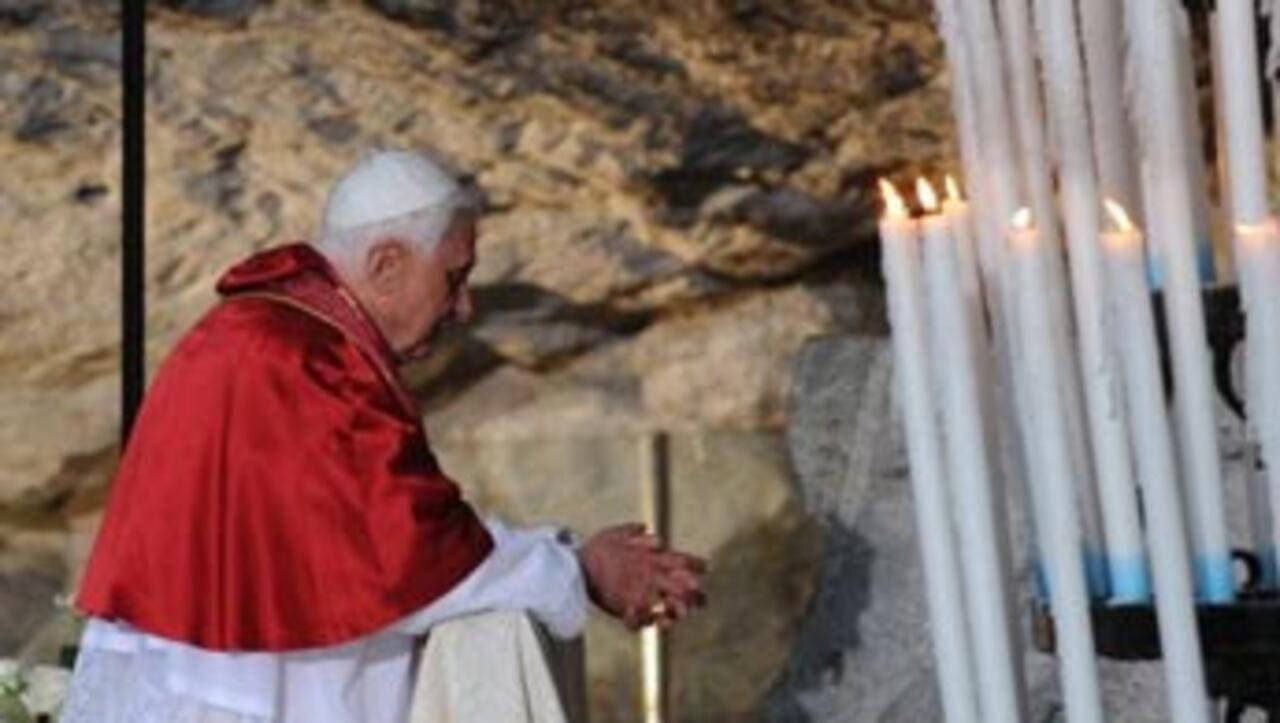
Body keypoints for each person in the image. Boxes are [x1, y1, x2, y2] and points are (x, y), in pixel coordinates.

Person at [59, 150, 707, 723]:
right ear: (387, 262)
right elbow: (407, 558)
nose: (464, 307)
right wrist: (580, 569)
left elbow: (400, 535)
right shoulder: (305, 358)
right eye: (454, 277)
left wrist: (562, 557)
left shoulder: (263, 331)